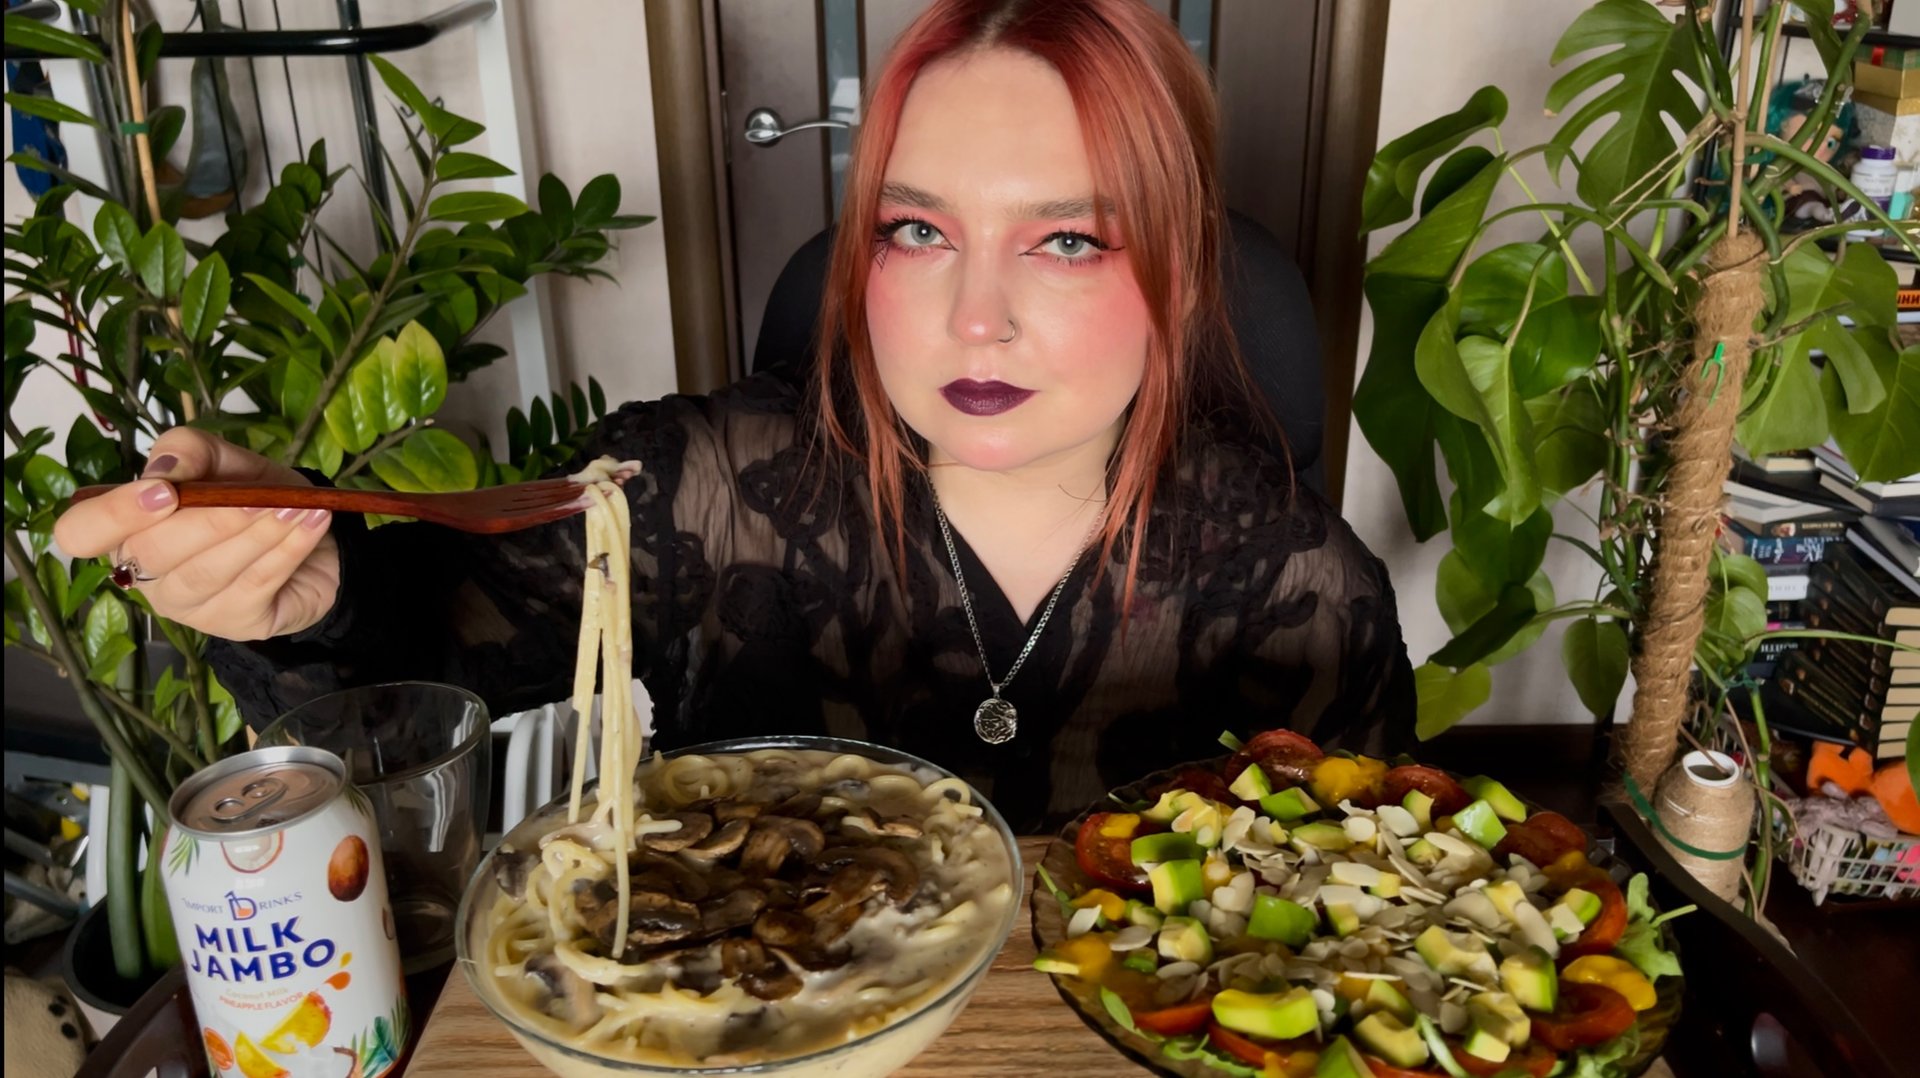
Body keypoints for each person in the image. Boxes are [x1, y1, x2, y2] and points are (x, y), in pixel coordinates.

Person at [54, 0, 1412, 832]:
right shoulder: (701, 487)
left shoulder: (1304, 589)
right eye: (919, 231)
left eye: (1067, 241)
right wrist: (301, 589)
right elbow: (409, 655)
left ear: (1178, 279)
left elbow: (1351, 921)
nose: (975, 319)